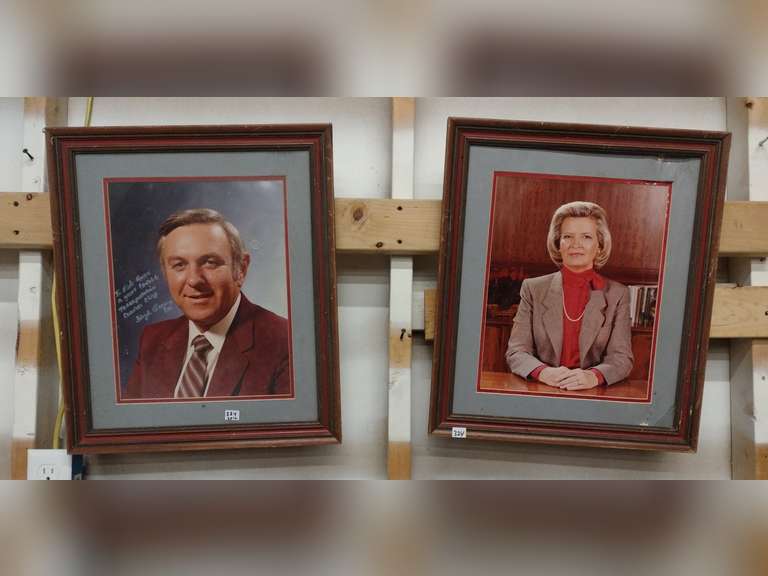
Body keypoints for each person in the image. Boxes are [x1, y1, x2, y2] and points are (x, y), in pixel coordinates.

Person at [125, 208, 290, 399]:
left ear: (241, 269)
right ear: (165, 272)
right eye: (179, 265)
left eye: (210, 262)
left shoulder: (284, 342)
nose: (194, 280)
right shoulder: (153, 339)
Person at [505, 201, 633, 390]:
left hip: (592, 393)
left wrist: (593, 376)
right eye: (568, 236)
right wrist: (543, 372)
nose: (576, 244)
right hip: (542, 389)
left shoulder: (618, 294)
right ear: (558, 244)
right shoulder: (533, 288)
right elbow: (516, 351)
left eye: (587, 237)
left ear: (599, 245)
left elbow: (622, 358)